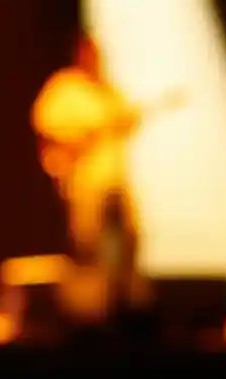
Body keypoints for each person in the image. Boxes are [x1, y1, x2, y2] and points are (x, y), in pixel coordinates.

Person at [32, 36, 143, 323]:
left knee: (126, 243)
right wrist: (81, 137)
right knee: (89, 246)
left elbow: (125, 123)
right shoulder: (65, 88)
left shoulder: (108, 91)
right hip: (86, 182)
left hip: (115, 181)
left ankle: (123, 307)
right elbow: (47, 129)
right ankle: (88, 312)